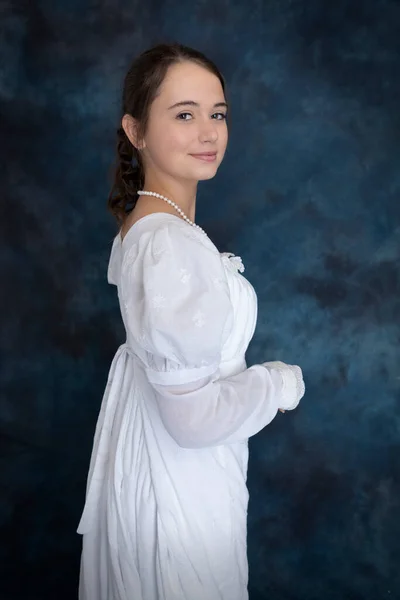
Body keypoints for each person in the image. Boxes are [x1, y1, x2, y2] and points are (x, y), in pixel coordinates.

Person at [76, 42, 305, 600]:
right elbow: (193, 420)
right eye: (184, 114)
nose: (209, 133)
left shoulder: (154, 227)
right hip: (179, 481)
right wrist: (277, 383)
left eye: (217, 114)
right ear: (136, 131)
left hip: (170, 463)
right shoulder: (167, 247)